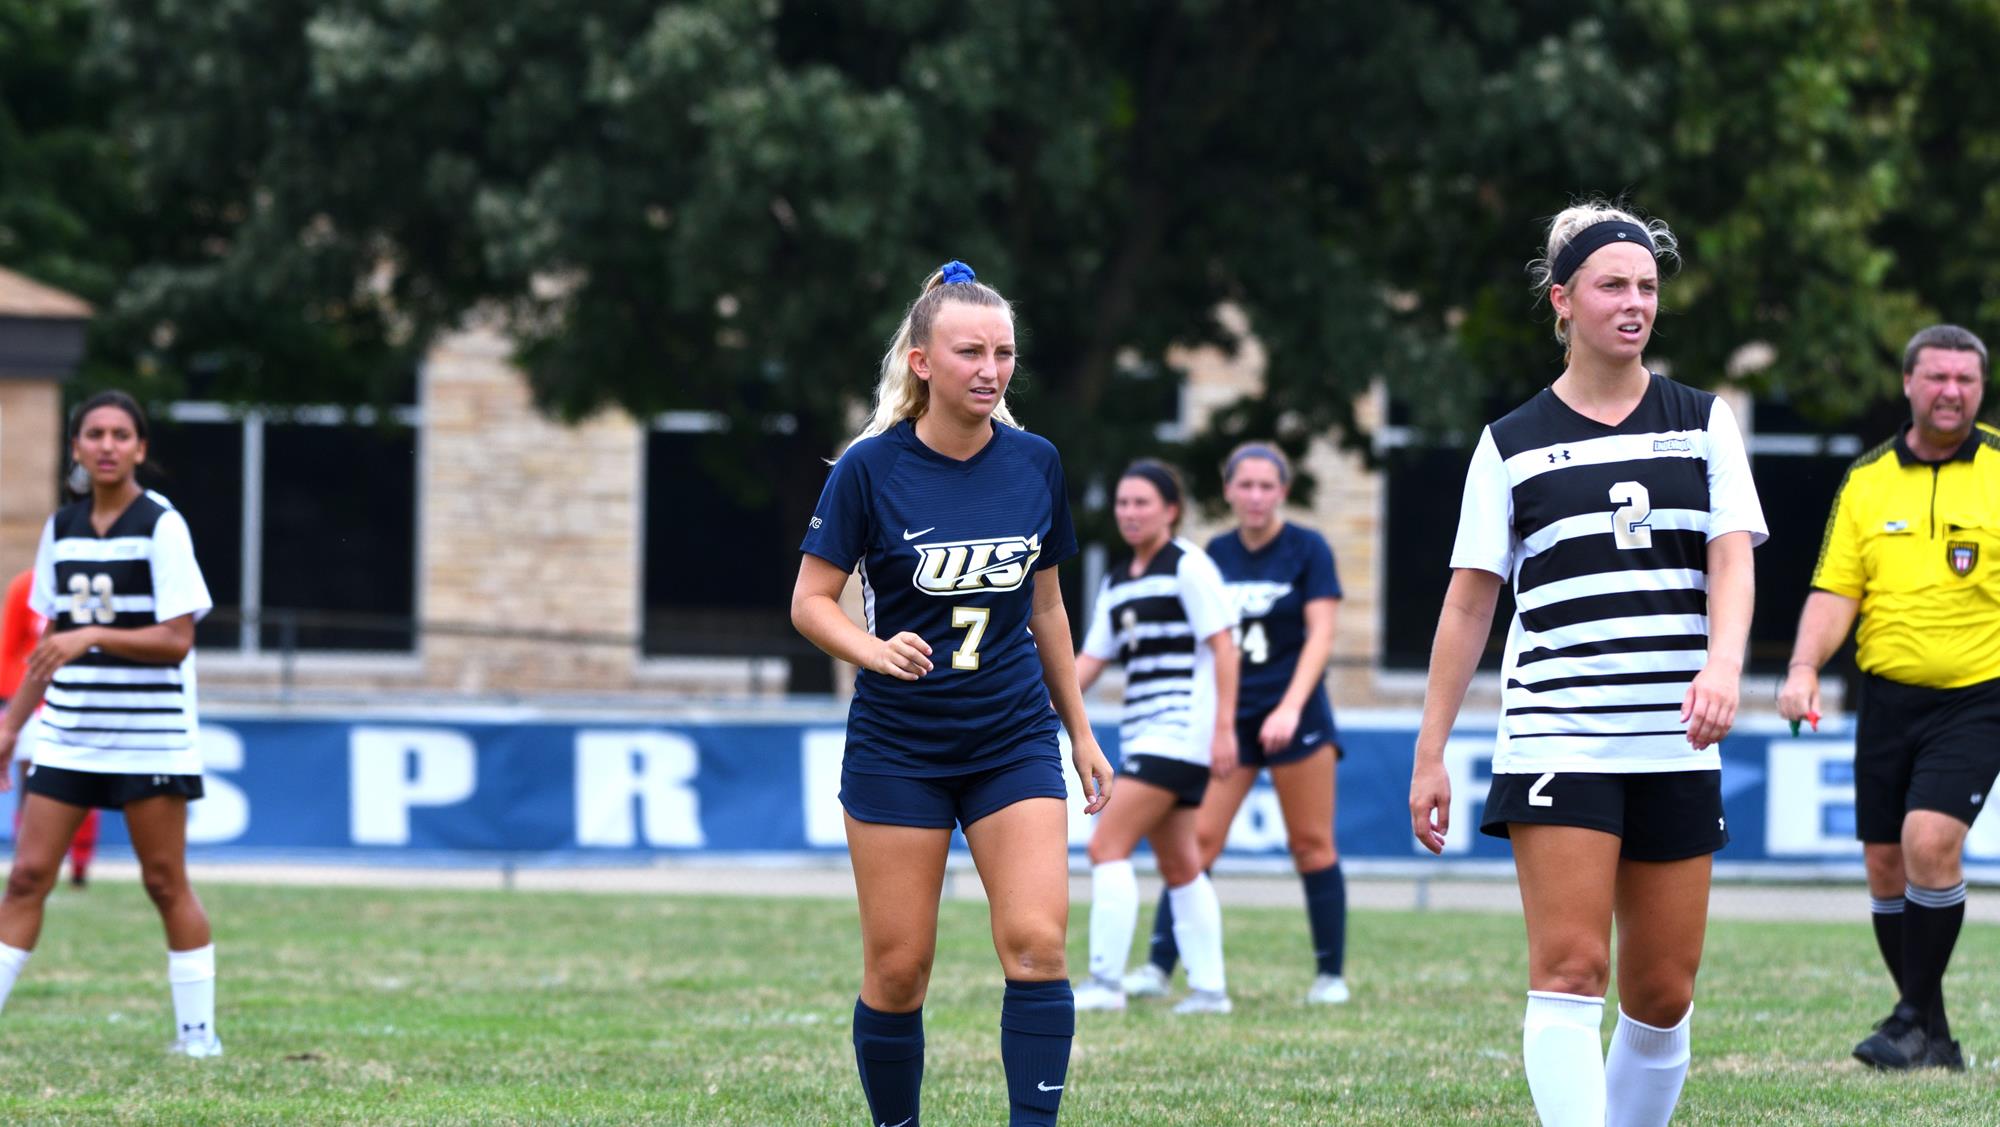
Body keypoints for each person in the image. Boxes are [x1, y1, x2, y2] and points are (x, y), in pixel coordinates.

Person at [1408, 201, 1765, 1126]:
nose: (1635, 302)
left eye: (1647, 286)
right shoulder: (1510, 443)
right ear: (1563, 300)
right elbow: (1470, 599)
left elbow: (1732, 557)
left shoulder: (1705, 422)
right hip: (1559, 733)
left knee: (1662, 994)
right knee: (1571, 969)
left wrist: (1724, 665)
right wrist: (1430, 749)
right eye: (1613, 285)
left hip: (1676, 739)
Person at [791, 261, 1113, 1127]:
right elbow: (810, 601)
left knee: (1039, 945)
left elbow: (1047, 606)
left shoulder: (1035, 463)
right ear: (922, 360)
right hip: (901, 747)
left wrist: (1079, 731)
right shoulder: (868, 469)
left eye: (1003, 352)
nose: (991, 369)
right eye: (970, 351)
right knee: (899, 969)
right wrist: (872, 646)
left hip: (1011, 738)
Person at [1777, 323, 2000, 1072]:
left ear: (1981, 387)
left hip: (1978, 696)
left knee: (1929, 842)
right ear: (1908, 384)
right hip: (1886, 697)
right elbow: (1837, 589)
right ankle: (1932, 1035)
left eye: (1966, 380)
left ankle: (1907, 1018)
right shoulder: (1868, 479)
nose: (1951, 392)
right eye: (1937, 377)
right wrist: (1804, 668)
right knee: (1884, 862)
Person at [0, 391, 220, 1058]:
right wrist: (10, 729)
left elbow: (178, 638)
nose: (106, 444)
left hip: (151, 735)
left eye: (121, 434)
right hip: (70, 731)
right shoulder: (61, 528)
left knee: (163, 881)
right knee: (28, 876)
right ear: (75, 447)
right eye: (93, 433)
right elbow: (49, 646)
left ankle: (199, 1037)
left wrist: (91, 633)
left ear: (140, 448)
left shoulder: (162, 526)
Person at [1126, 442, 1350, 1005]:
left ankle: (1330, 976)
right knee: (1196, 841)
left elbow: (1321, 635)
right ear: (1227, 491)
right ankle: (1158, 966)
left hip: (1295, 714)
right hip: (1233, 718)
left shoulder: (1307, 549)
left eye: (1266, 486)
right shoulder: (1212, 555)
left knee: (1311, 844)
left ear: (1282, 491)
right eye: (1244, 486)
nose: (1254, 496)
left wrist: (1291, 706)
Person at [1072, 459, 1241, 1015]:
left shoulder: (1189, 566)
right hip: (1146, 734)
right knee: (1180, 864)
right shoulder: (1120, 581)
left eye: (1142, 502)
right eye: (1122, 502)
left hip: (1180, 734)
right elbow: (1089, 662)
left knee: (1106, 845)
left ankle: (1104, 982)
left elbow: (1223, 647)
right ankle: (1211, 992)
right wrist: (1032, 703)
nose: (1130, 512)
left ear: (1171, 510)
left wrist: (1223, 730)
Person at [2, 567, 102, 887]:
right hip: (34, 703)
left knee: (85, 784)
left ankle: (80, 865)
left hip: (82, 701)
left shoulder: (102, 582)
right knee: (32, 784)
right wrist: (11, 703)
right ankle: (27, 861)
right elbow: (11, 646)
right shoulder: (26, 585)